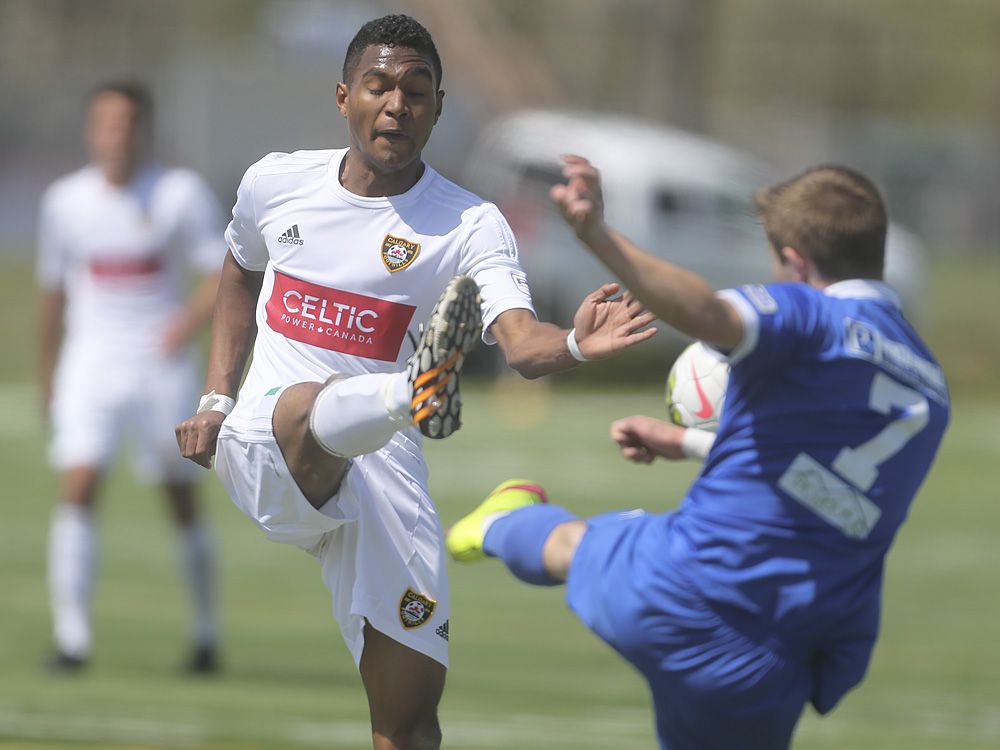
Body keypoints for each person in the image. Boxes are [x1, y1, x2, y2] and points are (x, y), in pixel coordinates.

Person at [173, 15, 654, 750]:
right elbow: (240, 270)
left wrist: (575, 345)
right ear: (345, 96)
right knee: (307, 406)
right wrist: (215, 398)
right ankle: (415, 392)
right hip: (265, 441)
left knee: (410, 724)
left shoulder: (470, 223)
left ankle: (413, 395)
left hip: (384, 473)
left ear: (437, 107)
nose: (397, 104)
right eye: (379, 85)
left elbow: (521, 343)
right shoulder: (275, 182)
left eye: (417, 91)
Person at [446, 157, 951, 749]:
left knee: (575, 544)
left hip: (687, 593)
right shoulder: (928, 382)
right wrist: (691, 443)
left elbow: (707, 312)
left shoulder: (809, 315)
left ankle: (503, 523)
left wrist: (598, 235)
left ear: (794, 261)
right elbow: (832, 477)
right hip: (783, 651)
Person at [37, 82, 225, 673]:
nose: (116, 135)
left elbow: (222, 271)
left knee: (179, 495)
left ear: (144, 130)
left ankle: (205, 635)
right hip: (90, 362)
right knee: (79, 484)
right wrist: (46, 376)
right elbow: (52, 293)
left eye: (127, 123)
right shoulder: (65, 201)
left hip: (159, 367)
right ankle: (72, 640)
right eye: (105, 123)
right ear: (91, 130)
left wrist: (182, 327)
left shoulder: (178, 193)